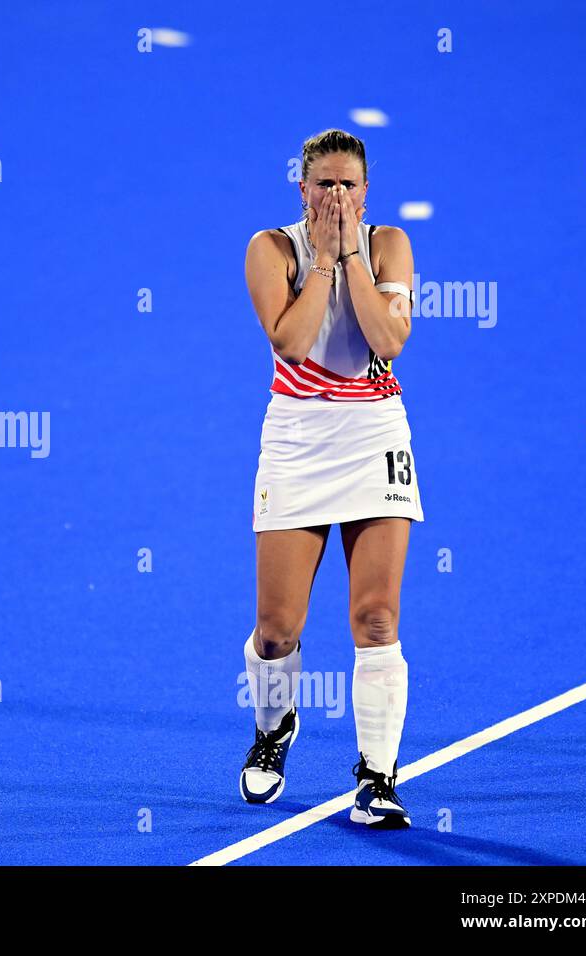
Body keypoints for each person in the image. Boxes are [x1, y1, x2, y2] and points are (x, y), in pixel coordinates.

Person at [238, 128, 423, 828]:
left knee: (376, 615)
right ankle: (274, 727)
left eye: (349, 184)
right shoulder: (271, 249)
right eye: (325, 185)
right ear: (302, 189)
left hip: (374, 435)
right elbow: (288, 338)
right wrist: (322, 260)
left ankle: (378, 777)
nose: (337, 196)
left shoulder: (389, 246)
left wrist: (350, 256)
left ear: (367, 190)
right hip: (297, 440)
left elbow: (387, 340)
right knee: (277, 629)